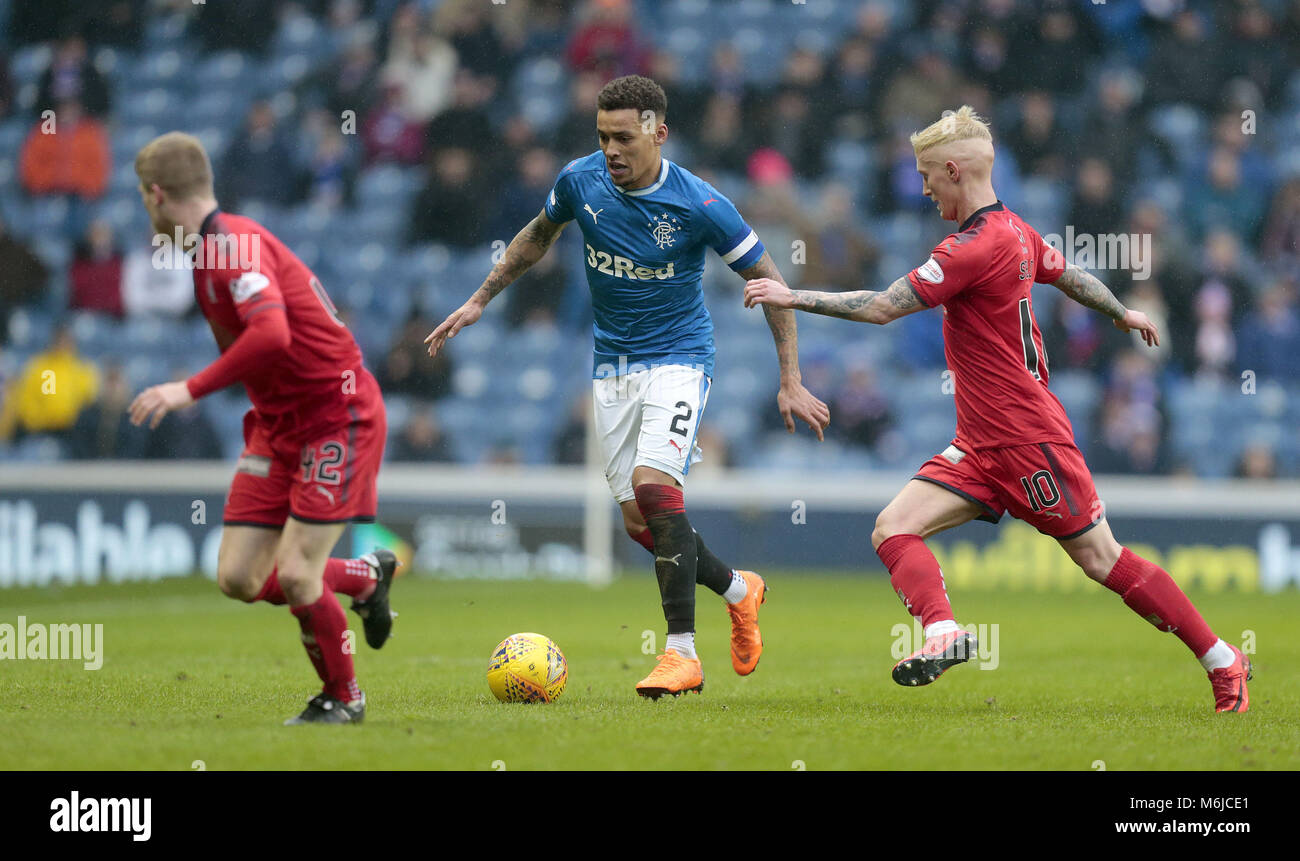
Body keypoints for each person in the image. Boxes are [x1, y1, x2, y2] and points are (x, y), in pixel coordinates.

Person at [744, 107, 1252, 713]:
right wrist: (1122, 312)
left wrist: (790, 294)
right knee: (892, 527)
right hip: (980, 446)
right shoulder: (1017, 231)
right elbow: (1071, 277)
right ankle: (943, 633)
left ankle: (1223, 659)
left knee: (1101, 560)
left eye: (928, 175)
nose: (924, 188)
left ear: (954, 170)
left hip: (1027, 439)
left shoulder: (970, 247)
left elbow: (881, 307)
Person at [426, 75, 829, 699]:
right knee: (641, 524)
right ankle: (739, 589)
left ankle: (681, 655)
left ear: (658, 133)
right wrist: (481, 298)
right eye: (602, 136)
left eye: (623, 137)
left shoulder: (700, 204)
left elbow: (770, 283)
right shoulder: (579, 180)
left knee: (655, 488)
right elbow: (538, 235)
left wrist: (790, 379)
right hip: (611, 367)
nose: (611, 149)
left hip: (680, 359)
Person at [126, 132, 397, 725]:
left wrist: (186, 388)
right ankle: (363, 577)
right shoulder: (211, 250)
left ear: (155, 194)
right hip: (279, 426)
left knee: (298, 575)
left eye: (144, 203)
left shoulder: (232, 246)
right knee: (240, 576)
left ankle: (343, 698)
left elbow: (272, 334)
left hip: (335, 416)